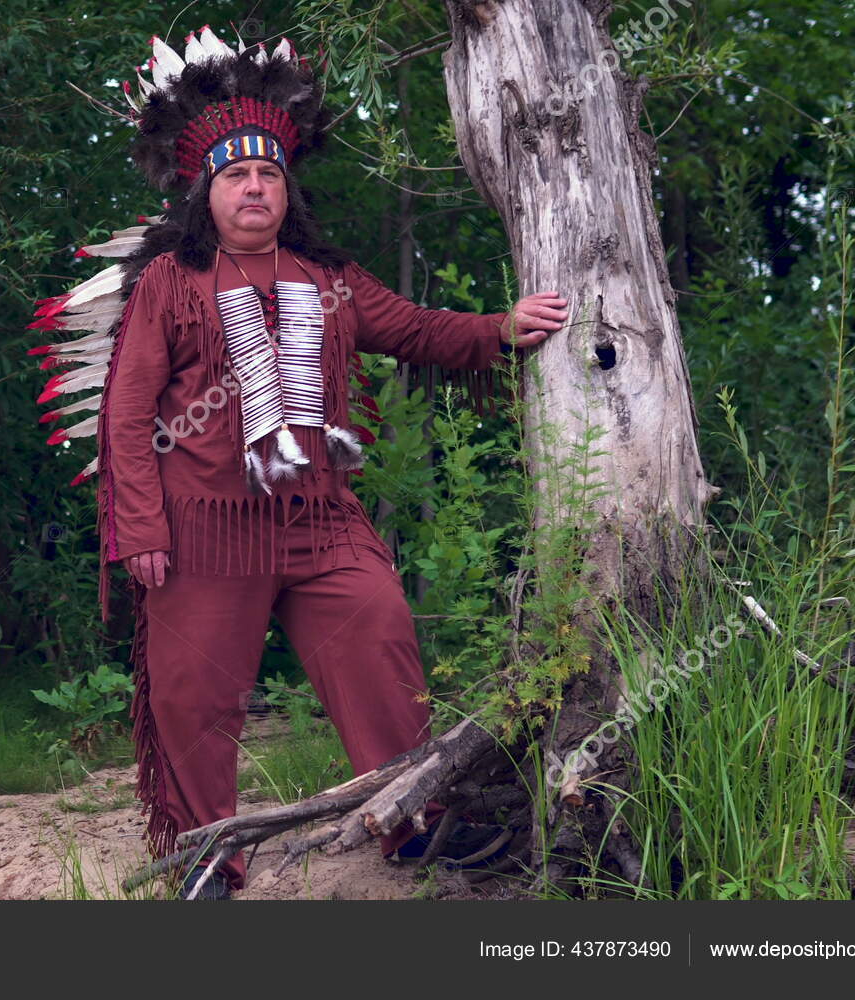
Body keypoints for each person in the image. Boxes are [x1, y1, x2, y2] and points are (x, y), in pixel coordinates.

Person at [29, 27, 565, 899]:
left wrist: (499, 327)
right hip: (202, 534)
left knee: (380, 635)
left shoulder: (329, 277)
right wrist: (141, 526)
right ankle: (211, 856)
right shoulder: (170, 283)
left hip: (321, 525)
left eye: (269, 173)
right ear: (207, 191)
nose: (254, 187)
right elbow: (127, 415)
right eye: (237, 175)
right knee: (194, 700)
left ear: (287, 189)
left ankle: (413, 823)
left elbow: (417, 329)